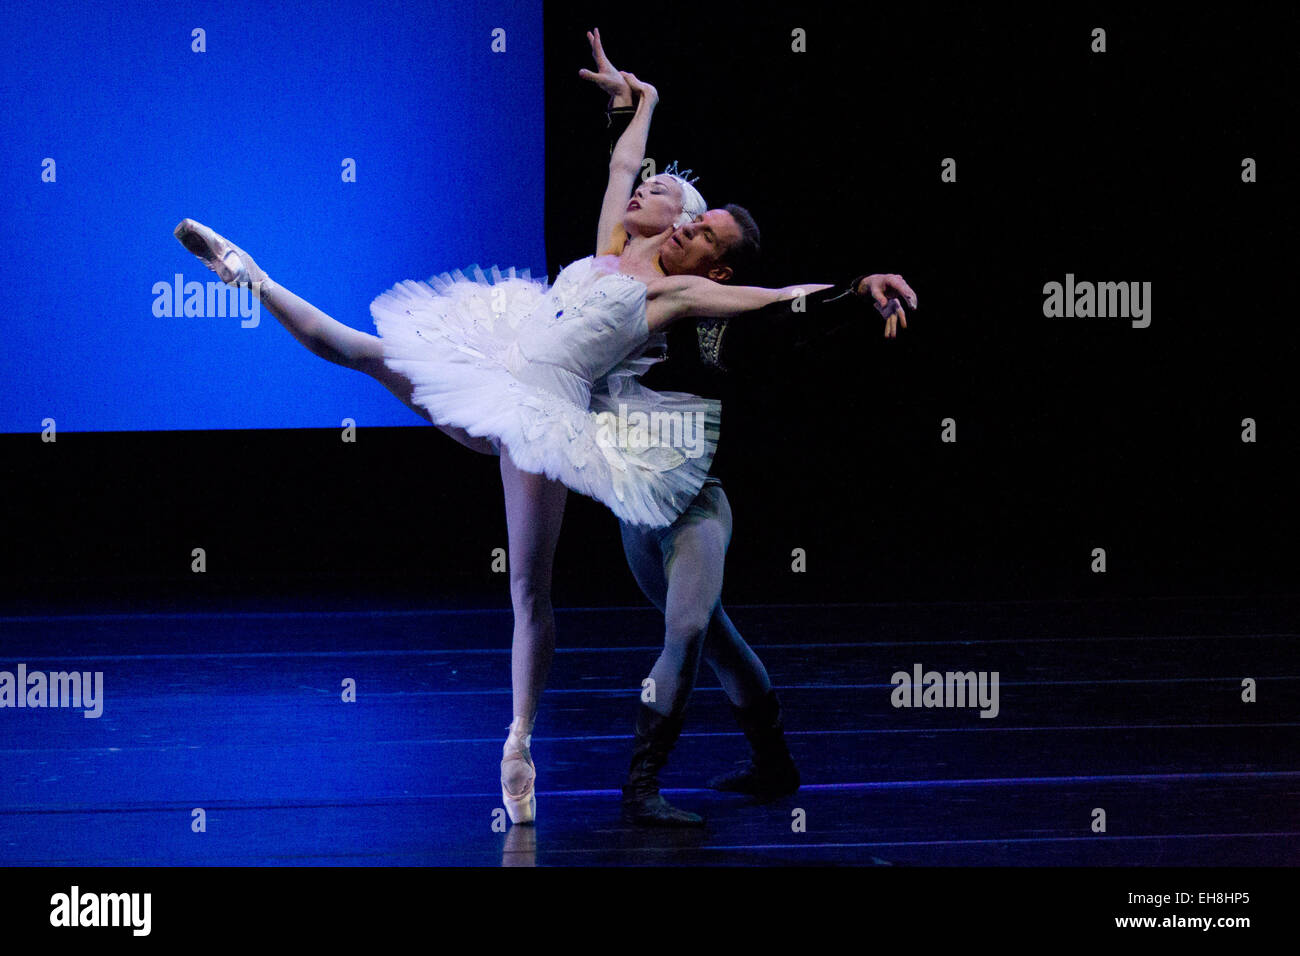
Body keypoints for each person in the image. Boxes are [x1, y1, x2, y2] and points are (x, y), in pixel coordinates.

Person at [576, 31, 916, 826]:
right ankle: (776, 765)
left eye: (700, 235)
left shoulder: (715, 314)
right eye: (687, 225)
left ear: (720, 267)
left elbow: (790, 307)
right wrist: (626, 105)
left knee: (688, 629)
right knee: (718, 636)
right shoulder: (626, 266)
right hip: (634, 506)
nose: (682, 232)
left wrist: (862, 288)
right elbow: (622, 186)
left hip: (694, 503)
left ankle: (640, 788)